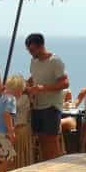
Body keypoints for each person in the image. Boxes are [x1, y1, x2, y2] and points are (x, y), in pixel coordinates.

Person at [25, 32, 68, 161]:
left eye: (32, 50)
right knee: (41, 140)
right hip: (37, 105)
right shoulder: (34, 61)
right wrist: (25, 86)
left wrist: (43, 88)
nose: (30, 53)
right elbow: (34, 77)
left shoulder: (55, 61)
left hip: (51, 105)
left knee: (52, 140)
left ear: (40, 46)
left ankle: (54, 170)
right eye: (29, 50)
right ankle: (46, 168)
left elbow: (65, 83)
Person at [0, 74, 26, 172]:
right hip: (2, 134)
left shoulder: (2, 98)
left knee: (1, 157)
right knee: (9, 158)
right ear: (18, 90)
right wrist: (11, 131)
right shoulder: (11, 99)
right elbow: (7, 114)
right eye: (21, 92)